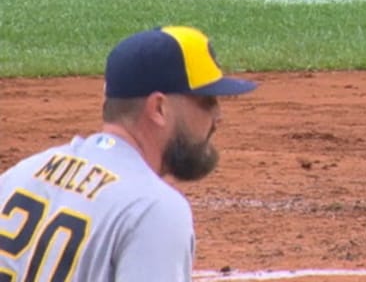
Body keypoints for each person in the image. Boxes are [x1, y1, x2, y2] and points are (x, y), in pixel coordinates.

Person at [0, 25, 259, 279]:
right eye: (207, 101)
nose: (218, 116)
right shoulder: (155, 211)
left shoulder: (22, 174)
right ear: (159, 108)